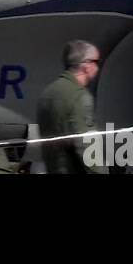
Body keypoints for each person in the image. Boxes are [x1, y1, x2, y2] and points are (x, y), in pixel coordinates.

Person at [36, 40, 108, 174]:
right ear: (86, 65)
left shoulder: (48, 93)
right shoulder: (80, 97)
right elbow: (87, 147)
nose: (98, 67)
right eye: (97, 62)